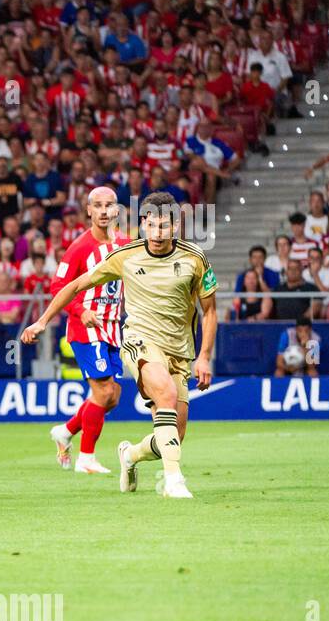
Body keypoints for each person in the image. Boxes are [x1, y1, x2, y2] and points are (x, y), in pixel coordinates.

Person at [22, 191, 219, 500]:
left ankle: (130, 455)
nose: (156, 233)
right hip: (138, 340)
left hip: (179, 350)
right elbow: (74, 284)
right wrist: (43, 320)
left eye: (163, 226)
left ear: (175, 226)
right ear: (143, 224)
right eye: (150, 225)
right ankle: (173, 481)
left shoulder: (194, 258)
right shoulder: (124, 254)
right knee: (156, 393)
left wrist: (204, 356)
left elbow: (210, 310)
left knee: (173, 435)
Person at [45, 186, 131, 474]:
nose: (104, 211)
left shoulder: (125, 243)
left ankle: (66, 431)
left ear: (117, 210)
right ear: (89, 210)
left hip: (112, 328)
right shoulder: (79, 248)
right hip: (86, 329)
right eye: (98, 205)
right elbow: (58, 287)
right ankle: (86, 458)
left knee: (112, 396)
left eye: (109, 205)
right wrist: (81, 311)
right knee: (104, 391)